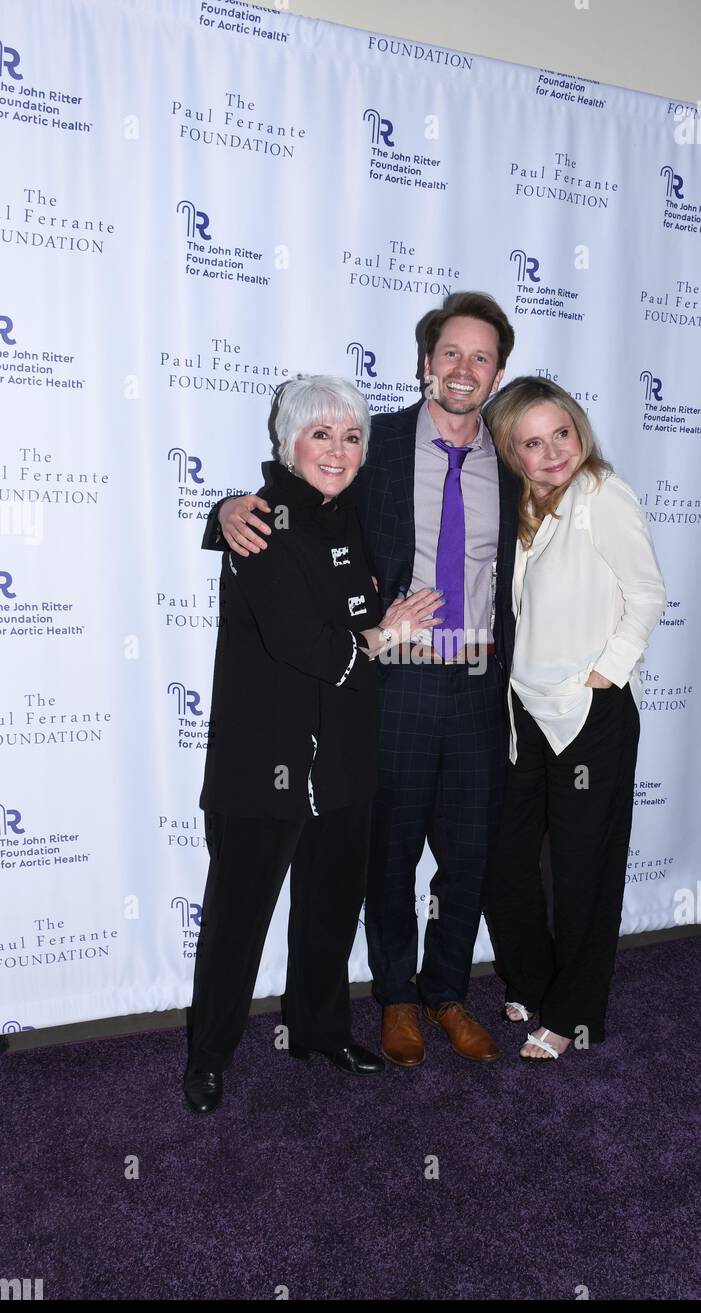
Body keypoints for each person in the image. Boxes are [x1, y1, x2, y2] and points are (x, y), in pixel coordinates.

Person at [206, 293, 521, 1067]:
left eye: (480, 357)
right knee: (387, 857)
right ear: (425, 362)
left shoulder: (512, 463)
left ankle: (449, 993)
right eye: (450, 352)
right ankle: (397, 1000)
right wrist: (224, 511)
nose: (463, 369)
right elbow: (303, 495)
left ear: (498, 372)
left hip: (480, 680)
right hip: (394, 680)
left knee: (469, 852)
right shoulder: (376, 445)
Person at [184, 375, 442, 1113]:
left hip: (347, 757)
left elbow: (367, 624)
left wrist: (391, 628)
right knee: (237, 922)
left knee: (331, 910)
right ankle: (207, 1057)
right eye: (320, 434)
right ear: (287, 442)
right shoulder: (259, 520)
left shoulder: (361, 517)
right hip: (263, 759)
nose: (338, 448)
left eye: (352, 435)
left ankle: (318, 1032)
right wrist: (380, 636)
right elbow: (301, 642)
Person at [481, 377, 667, 1061]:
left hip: (590, 712)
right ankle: (532, 978)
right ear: (512, 453)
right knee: (507, 861)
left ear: (579, 429)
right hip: (524, 713)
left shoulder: (599, 494)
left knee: (585, 872)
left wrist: (603, 675)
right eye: (532, 442)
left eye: (561, 432)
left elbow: (647, 593)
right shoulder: (521, 507)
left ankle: (576, 1012)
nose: (553, 450)